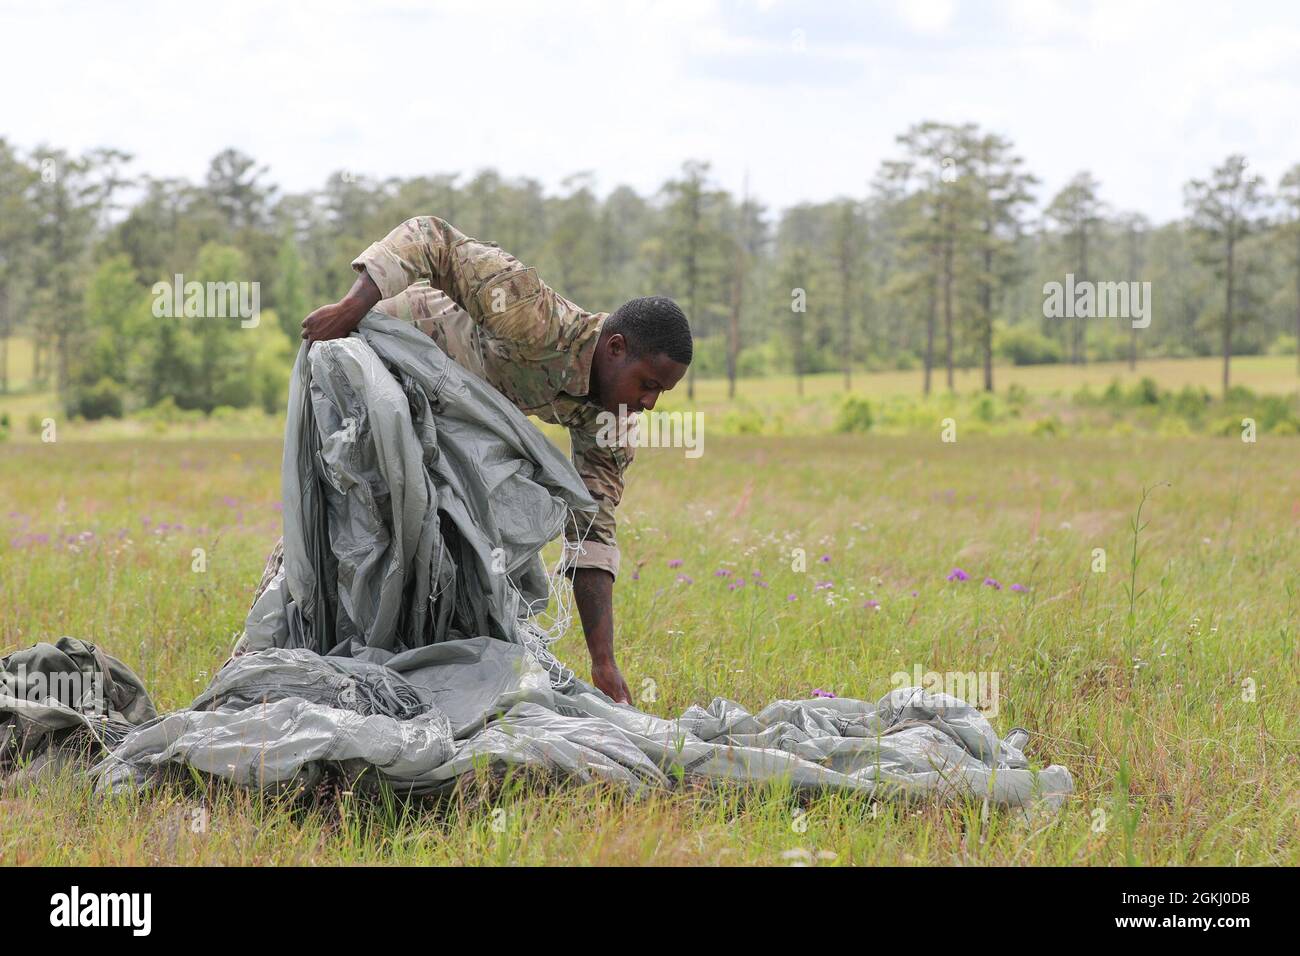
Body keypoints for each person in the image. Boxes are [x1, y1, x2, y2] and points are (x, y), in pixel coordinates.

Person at [279, 215, 691, 703]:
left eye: (661, 394)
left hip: (446, 414)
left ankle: (410, 673)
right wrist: (350, 307)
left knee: (455, 546)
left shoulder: (612, 425)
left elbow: (592, 532)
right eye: (647, 384)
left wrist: (603, 663)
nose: (649, 404)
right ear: (616, 348)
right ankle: (287, 652)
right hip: (382, 365)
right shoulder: (535, 315)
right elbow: (432, 238)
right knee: (352, 526)